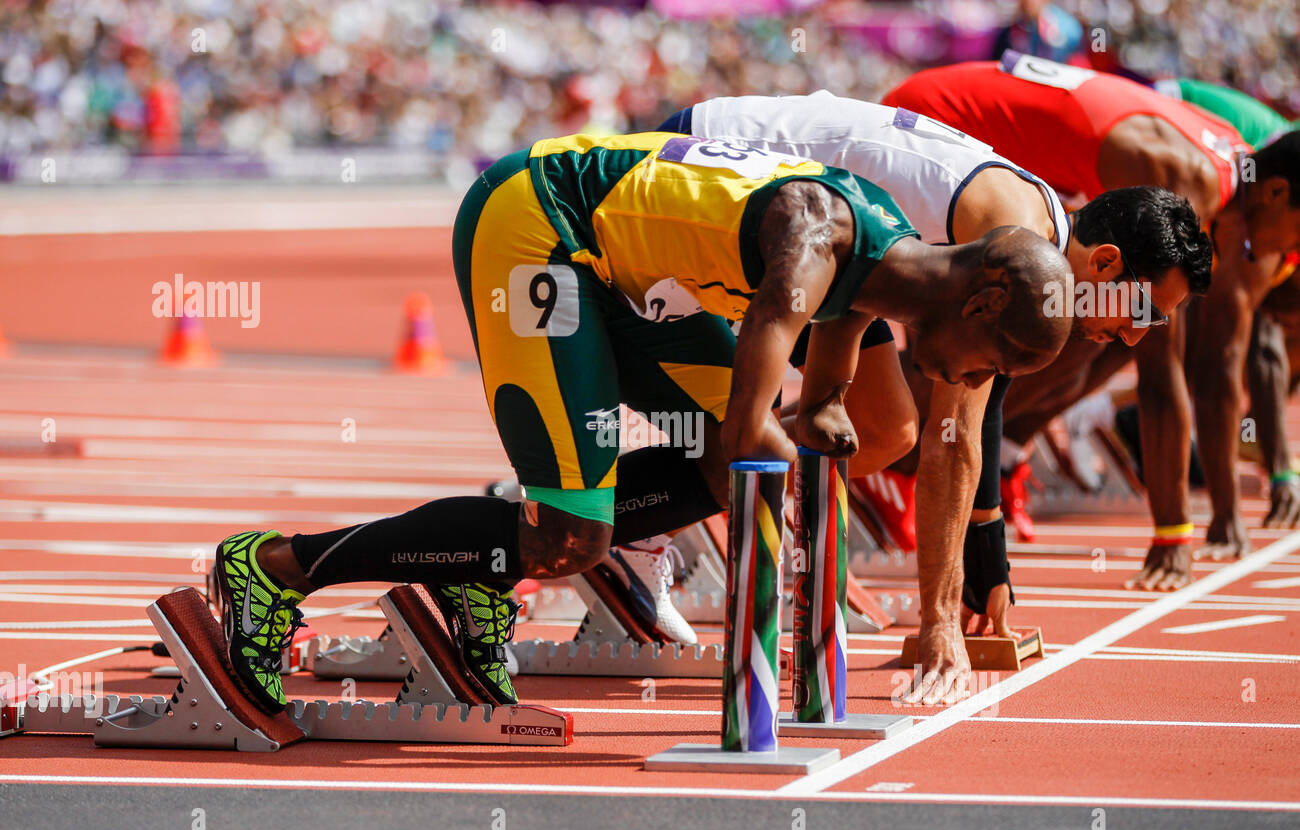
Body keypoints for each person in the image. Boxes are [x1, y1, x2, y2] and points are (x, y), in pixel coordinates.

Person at [211, 130, 1073, 714]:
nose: (982, 381)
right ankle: (278, 567)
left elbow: (830, 366)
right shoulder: (815, 246)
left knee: (698, 476)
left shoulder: (881, 255)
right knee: (575, 541)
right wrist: (797, 495)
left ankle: (484, 559)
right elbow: (750, 431)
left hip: (628, 273)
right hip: (539, 229)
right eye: (996, 359)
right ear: (984, 297)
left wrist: (824, 408)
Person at [659, 91, 1207, 692]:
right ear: (1104, 264)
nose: (1134, 338)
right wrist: (939, 623)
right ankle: (648, 516)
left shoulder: (1040, 246)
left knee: (886, 427)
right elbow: (957, 438)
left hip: (827, 244)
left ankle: (668, 499)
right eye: (1144, 312)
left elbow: (981, 407)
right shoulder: (1018, 240)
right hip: (719, 169)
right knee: (823, 420)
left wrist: (986, 556)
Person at [883, 54, 1300, 604]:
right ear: (1273, 194)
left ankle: (997, 451)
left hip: (982, 132)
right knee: (1051, 333)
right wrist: (1174, 533)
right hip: (932, 126)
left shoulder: (1225, 164)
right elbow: (1165, 378)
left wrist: (1226, 511)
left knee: (1104, 333)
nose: (1291, 256)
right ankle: (890, 460)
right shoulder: (1181, 182)